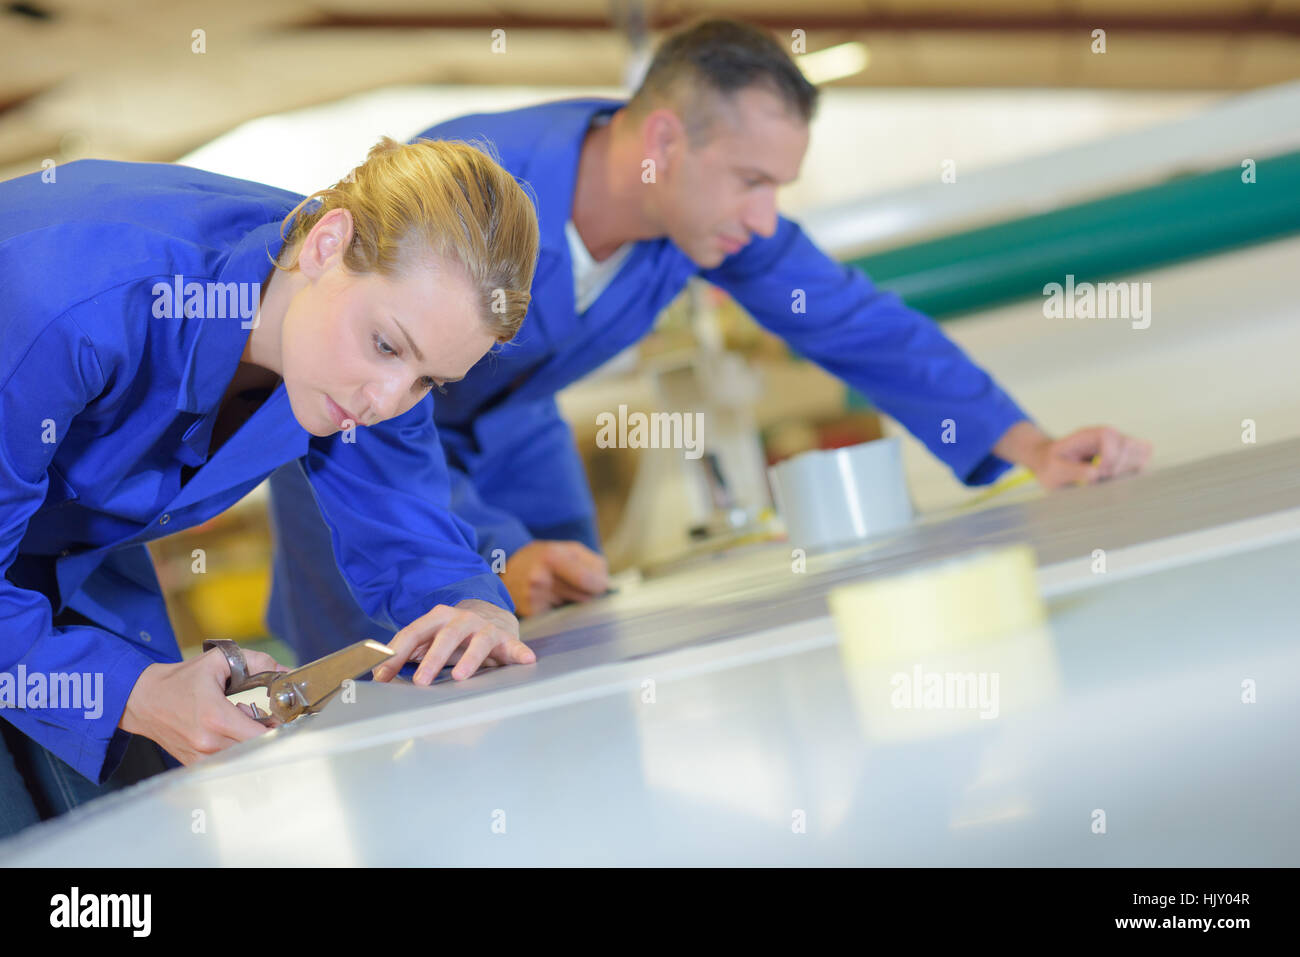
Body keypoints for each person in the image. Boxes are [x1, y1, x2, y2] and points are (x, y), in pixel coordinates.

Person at [265, 17, 1152, 661]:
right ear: (664, 141)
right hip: (360, 442)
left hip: (516, 434)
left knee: (574, 642)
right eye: (752, 179)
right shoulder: (478, 189)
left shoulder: (696, 218)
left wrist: (1029, 443)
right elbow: (374, 398)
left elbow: (853, 319)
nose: (765, 215)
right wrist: (490, 556)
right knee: (400, 685)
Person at [0, 136, 538, 837]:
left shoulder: (370, 326)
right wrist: (131, 689)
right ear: (325, 244)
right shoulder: (68, 302)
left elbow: (409, 535)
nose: (387, 399)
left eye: (429, 380)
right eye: (386, 346)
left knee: (136, 837)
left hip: (57, 543)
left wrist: (476, 610)